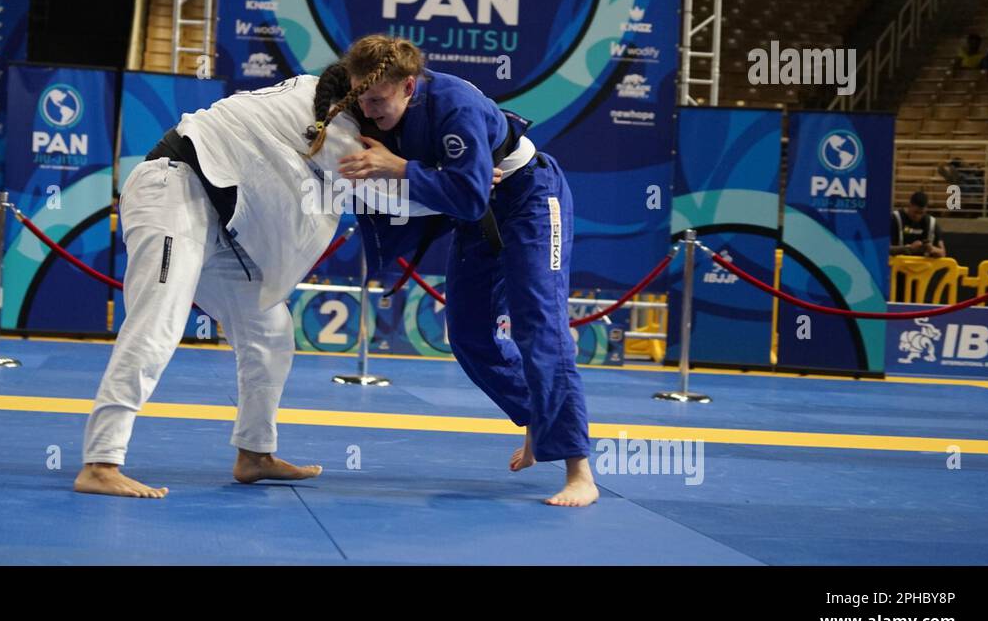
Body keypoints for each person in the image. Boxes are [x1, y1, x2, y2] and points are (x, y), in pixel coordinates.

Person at [75, 67, 427, 499]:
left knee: (270, 332)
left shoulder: (317, 88)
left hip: (220, 220)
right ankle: (100, 461)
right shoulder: (337, 131)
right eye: (376, 103)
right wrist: (462, 190)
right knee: (158, 321)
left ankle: (254, 454)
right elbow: (384, 195)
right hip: (172, 191)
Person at [330, 34, 597, 507]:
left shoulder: (454, 104)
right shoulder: (373, 110)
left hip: (531, 197)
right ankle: (537, 418)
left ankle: (579, 470)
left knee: (540, 327)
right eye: (361, 99)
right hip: (478, 215)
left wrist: (403, 168)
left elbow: (469, 195)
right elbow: (463, 192)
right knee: (469, 335)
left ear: (409, 86)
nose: (368, 111)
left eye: (377, 101)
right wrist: (444, 177)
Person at [890, 191, 946, 258]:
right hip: (898, 265)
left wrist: (931, 249)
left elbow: (942, 253)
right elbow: (883, 249)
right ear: (909, 205)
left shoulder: (931, 223)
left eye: (921, 213)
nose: (918, 216)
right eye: (915, 212)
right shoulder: (894, 219)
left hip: (924, 267)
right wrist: (908, 249)